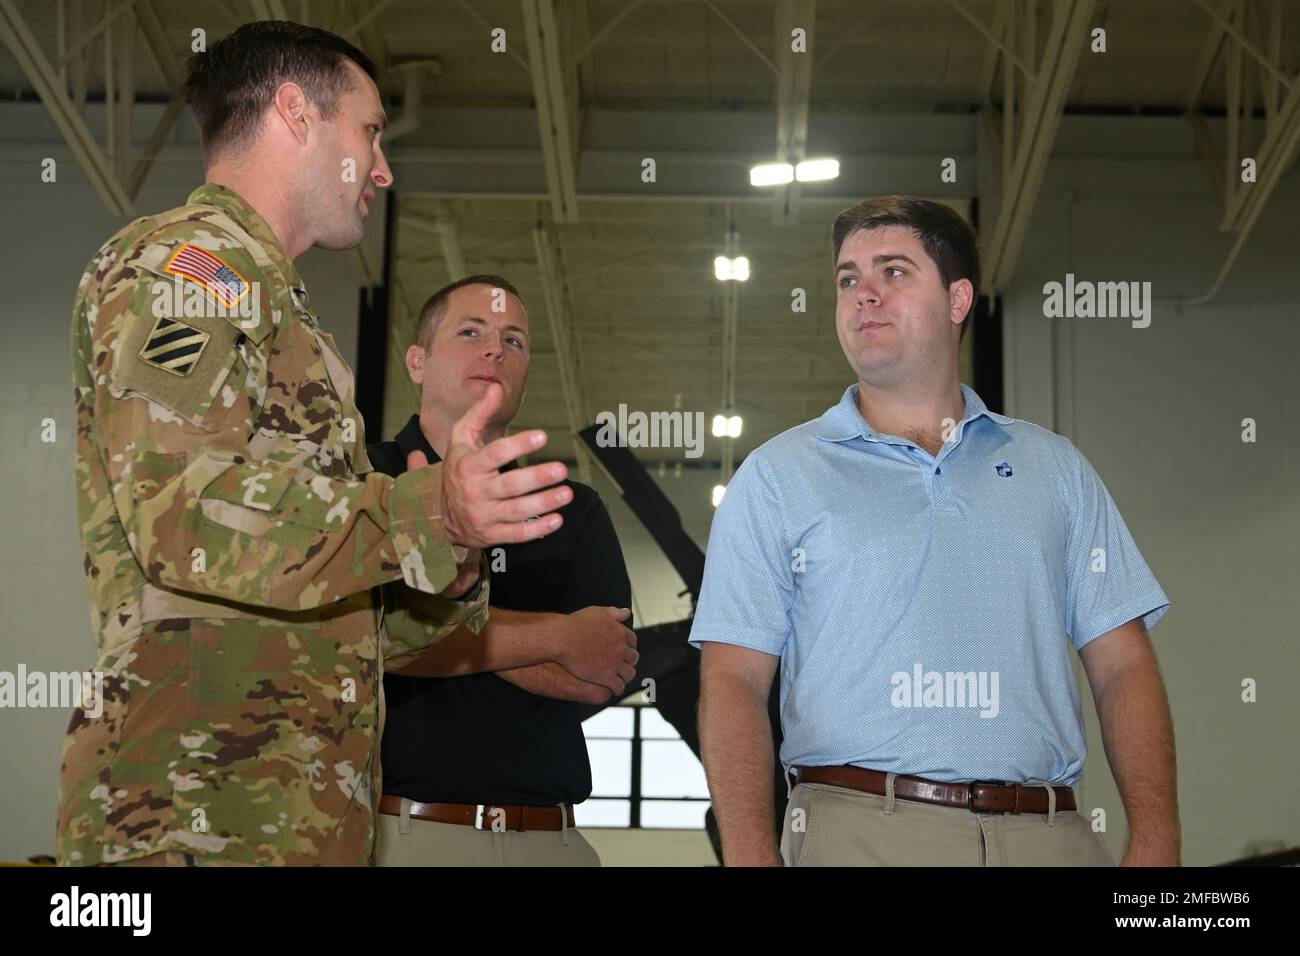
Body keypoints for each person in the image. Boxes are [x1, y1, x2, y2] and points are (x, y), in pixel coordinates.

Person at [59, 22, 572, 867]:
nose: (383, 167)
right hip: (187, 813)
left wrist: (456, 551)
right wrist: (423, 511)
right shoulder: (194, 271)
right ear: (296, 113)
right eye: (371, 131)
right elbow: (182, 515)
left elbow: (351, 622)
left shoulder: (281, 314)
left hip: (291, 818)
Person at [692, 196, 1178, 867]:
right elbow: (733, 680)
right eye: (846, 279)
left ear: (957, 301)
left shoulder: (1056, 469)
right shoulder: (776, 478)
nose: (863, 295)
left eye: (892, 272)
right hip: (860, 833)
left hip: (1051, 836)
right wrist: (750, 856)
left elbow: (1122, 663)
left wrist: (1156, 845)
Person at [369, 275, 636, 866]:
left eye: (513, 340)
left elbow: (599, 670)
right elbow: (372, 638)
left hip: (552, 841)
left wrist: (431, 633)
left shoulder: (572, 506)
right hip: (405, 833)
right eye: (471, 332)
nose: (495, 349)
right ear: (418, 361)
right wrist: (557, 637)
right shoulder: (367, 483)